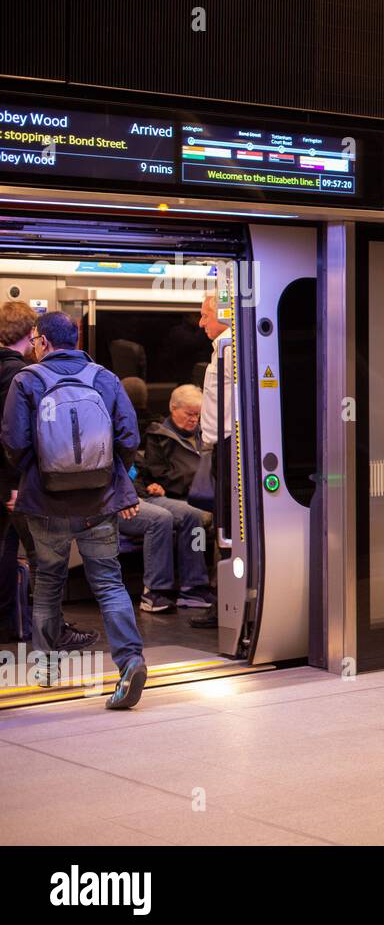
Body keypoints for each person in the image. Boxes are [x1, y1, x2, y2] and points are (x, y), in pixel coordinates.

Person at [1, 312, 148, 709]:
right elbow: (128, 436)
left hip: (45, 505)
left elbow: (13, 443)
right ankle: (130, 661)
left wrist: (41, 470)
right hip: (98, 503)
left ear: (43, 342)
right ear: (76, 337)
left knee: (48, 585)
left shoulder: (26, 381)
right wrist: (107, 476)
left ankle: (46, 669)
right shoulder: (105, 378)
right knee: (110, 584)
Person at [0, 302, 97, 650]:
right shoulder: (21, 376)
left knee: (8, 553)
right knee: (44, 559)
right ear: (31, 335)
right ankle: (51, 632)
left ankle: (16, 625)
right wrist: (15, 483)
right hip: (19, 484)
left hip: (6, 484)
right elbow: (15, 436)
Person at [134, 384, 215, 623]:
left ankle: (196, 587)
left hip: (204, 495)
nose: (194, 419)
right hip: (177, 495)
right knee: (197, 517)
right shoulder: (159, 436)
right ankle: (187, 586)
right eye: (189, 413)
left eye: (198, 414)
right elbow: (157, 474)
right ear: (173, 408)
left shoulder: (205, 434)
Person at [199, 293, 232, 535]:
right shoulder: (220, 348)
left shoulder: (232, 349)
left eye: (204, 316)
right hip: (221, 447)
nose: (201, 323)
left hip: (232, 445)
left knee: (229, 515)